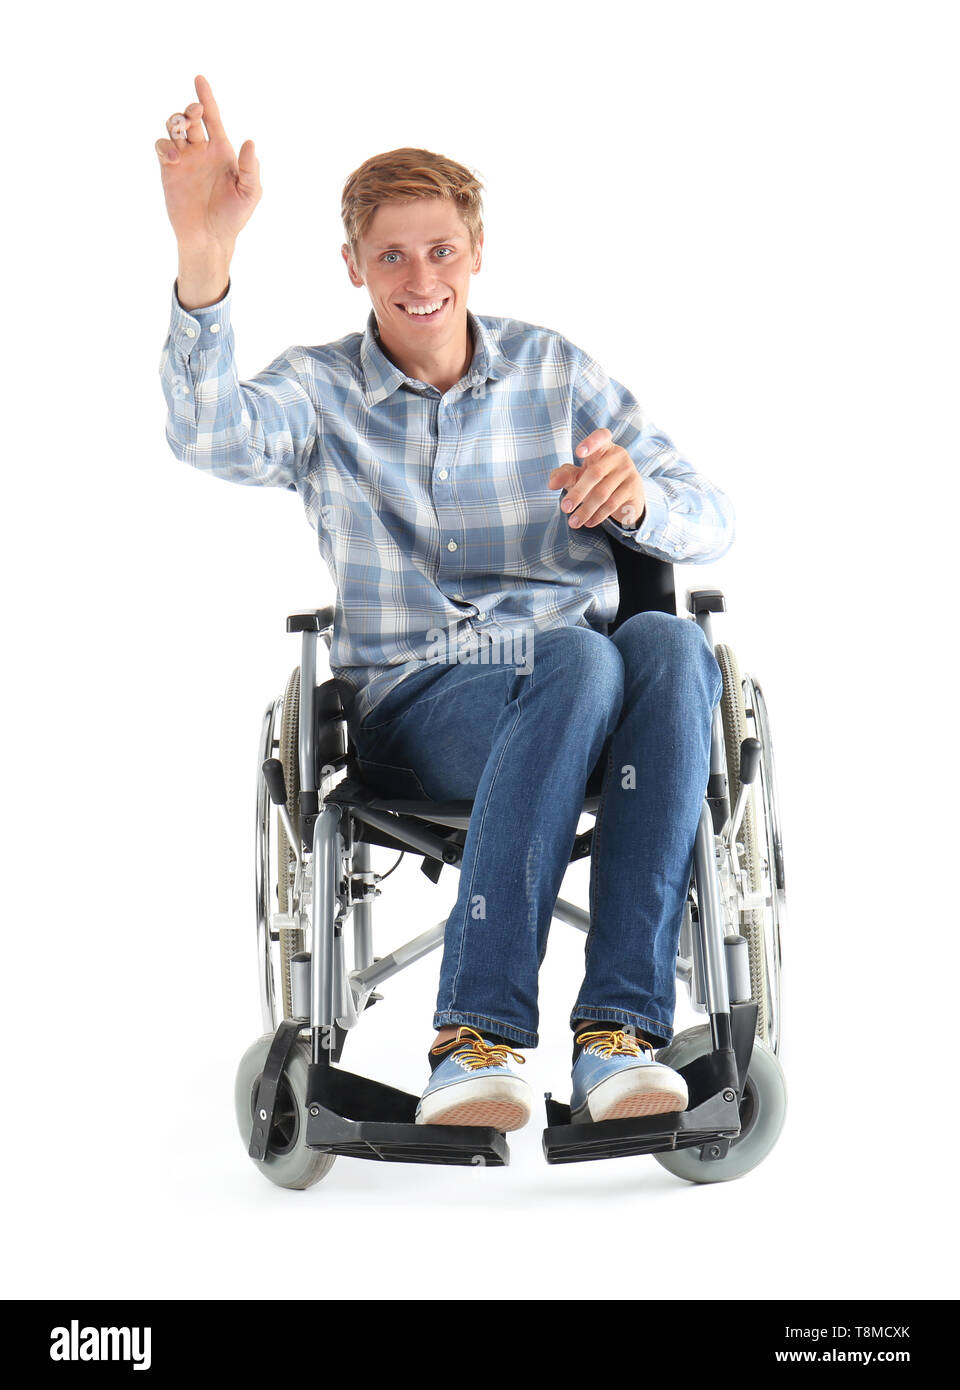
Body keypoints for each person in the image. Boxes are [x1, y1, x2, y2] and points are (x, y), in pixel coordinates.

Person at [157, 74, 734, 1134]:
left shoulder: (556, 371)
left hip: (601, 704)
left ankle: (619, 1035)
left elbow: (711, 514)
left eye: (440, 251)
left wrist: (643, 497)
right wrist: (206, 256)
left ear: (474, 253)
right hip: (424, 706)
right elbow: (209, 436)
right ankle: (478, 1037)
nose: (419, 277)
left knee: (667, 645)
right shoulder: (321, 392)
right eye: (391, 255)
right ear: (353, 266)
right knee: (583, 655)